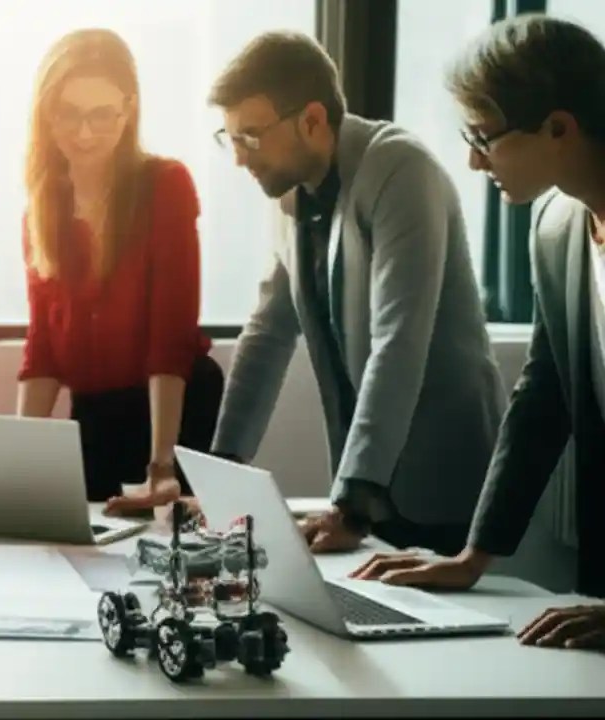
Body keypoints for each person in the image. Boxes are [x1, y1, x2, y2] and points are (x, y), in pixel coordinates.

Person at [353, 14, 605, 651]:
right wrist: (472, 557)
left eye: (482, 137)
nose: (471, 159)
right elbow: (543, 395)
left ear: (559, 128)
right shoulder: (555, 227)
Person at [205, 31, 505, 556]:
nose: (238, 158)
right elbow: (267, 333)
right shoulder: (290, 191)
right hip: (363, 488)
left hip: (439, 485)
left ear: (312, 120)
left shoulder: (401, 170)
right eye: (229, 138)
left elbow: (398, 339)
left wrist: (353, 504)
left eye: (250, 137)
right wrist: (219, 476)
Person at [15, 28, 222, 514]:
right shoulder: (43, 209)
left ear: (128, 111)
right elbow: (42, 350)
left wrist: (162, 465)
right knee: (84, 541)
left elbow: (169, 336)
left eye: (101, 114)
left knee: (155, 541)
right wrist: (17, 459)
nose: (84, 132)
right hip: (93, 411)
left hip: (168, 407)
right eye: (69, 113)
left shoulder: (165, 185)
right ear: (47, 113)